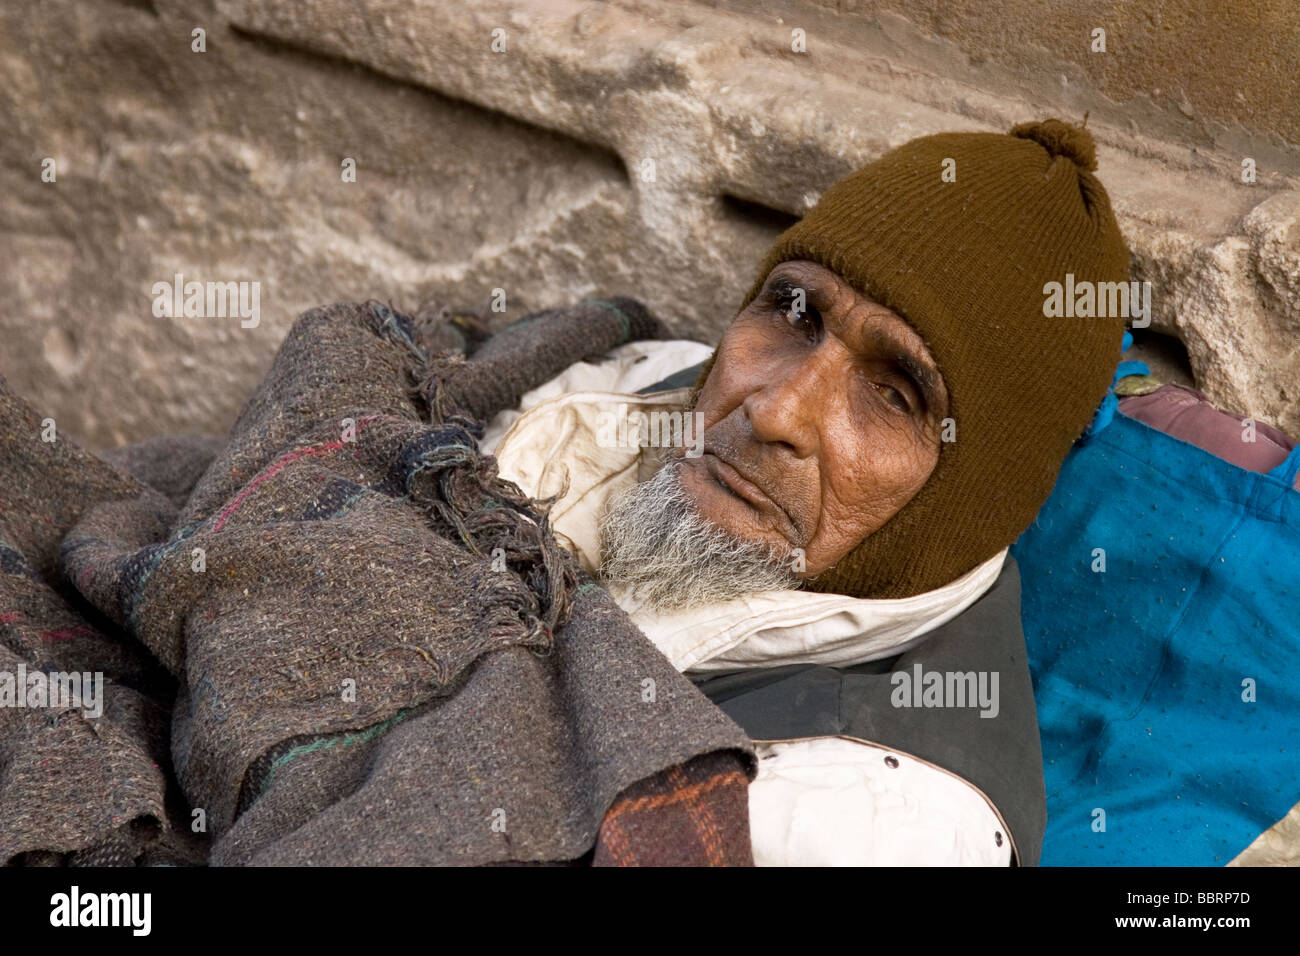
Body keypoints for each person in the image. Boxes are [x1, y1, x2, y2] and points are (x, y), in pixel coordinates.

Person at [480, 117, 1133, 866]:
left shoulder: (861, 825)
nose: (776, 410)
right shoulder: (639, 388)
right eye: (797, 315)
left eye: (894, 396)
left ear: (968, 499)